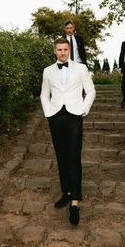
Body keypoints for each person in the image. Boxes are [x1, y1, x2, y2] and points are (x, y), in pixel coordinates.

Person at [40, 38, 96, 225]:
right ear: (54, 51)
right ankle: (67, 192)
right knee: (61, 156)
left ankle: (74, 203)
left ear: (69, 50)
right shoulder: (47, 71)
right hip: (56, 116)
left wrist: (83, 109)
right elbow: (44, 94)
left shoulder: (80, 69)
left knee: (73, 157)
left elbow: (91, 91)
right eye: (59, 49)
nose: (62, 52)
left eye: (65, 49)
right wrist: (48, 112)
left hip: (74, 116)